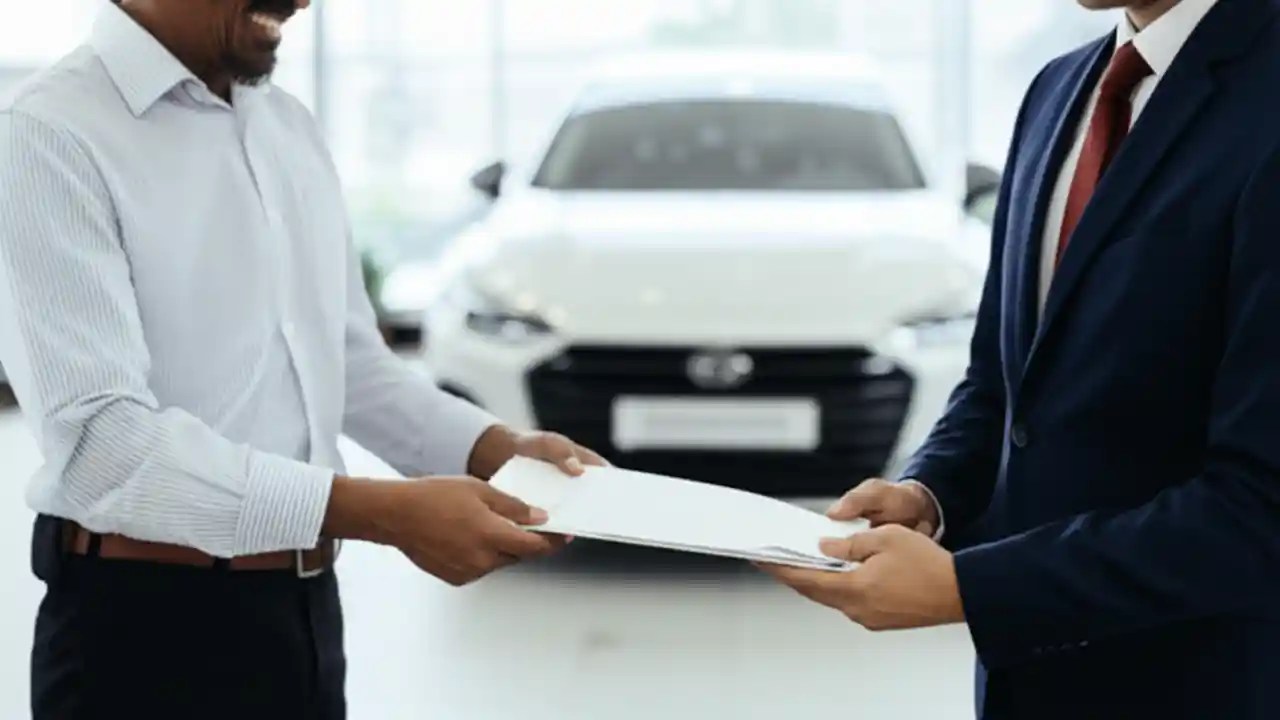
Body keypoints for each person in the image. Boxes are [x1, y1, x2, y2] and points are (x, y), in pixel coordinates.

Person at [0, 1, 605, 718]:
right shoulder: (48, 136)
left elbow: (346, 360)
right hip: (139, 637)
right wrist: (380, 513)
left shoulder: (285, 124)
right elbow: (104, 444)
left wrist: (493, 449)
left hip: (305, 617)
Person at [759, 0, 1280, 717]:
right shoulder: (1058, 90)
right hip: (1026, 684)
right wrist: (931, 494)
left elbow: (1260, 506)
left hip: (1207, 685)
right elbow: (1002, 383)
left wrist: (974, 589)